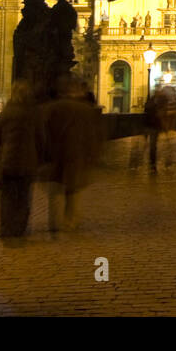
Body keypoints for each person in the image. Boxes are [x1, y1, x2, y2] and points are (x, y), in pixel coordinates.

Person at [35, 74, 103, 233]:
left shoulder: (49, 109)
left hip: (54, 155)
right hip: (76, 156)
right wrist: (93, 156)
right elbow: (95, 136)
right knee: (72, 191)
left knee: (55, 191)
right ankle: (70, 221)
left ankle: (54, 223)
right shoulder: (85, 110)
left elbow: (40, 133)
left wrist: (42, 154)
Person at [0, 78, 41, 240]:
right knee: (23, 198)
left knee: (7, 199)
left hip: (6, 164)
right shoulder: (33, 115)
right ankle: (19, 229)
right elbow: (41, 141)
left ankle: (7, 230)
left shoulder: (4, 115)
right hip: (27, 164)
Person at [142, 91, 166, 172]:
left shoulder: (149, 103)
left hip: (149, 126)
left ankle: (151, 163)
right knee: (152, 147)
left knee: (151, 146)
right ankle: (152, 164)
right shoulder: (155, 105)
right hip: (152, 127)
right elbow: (158, 116)